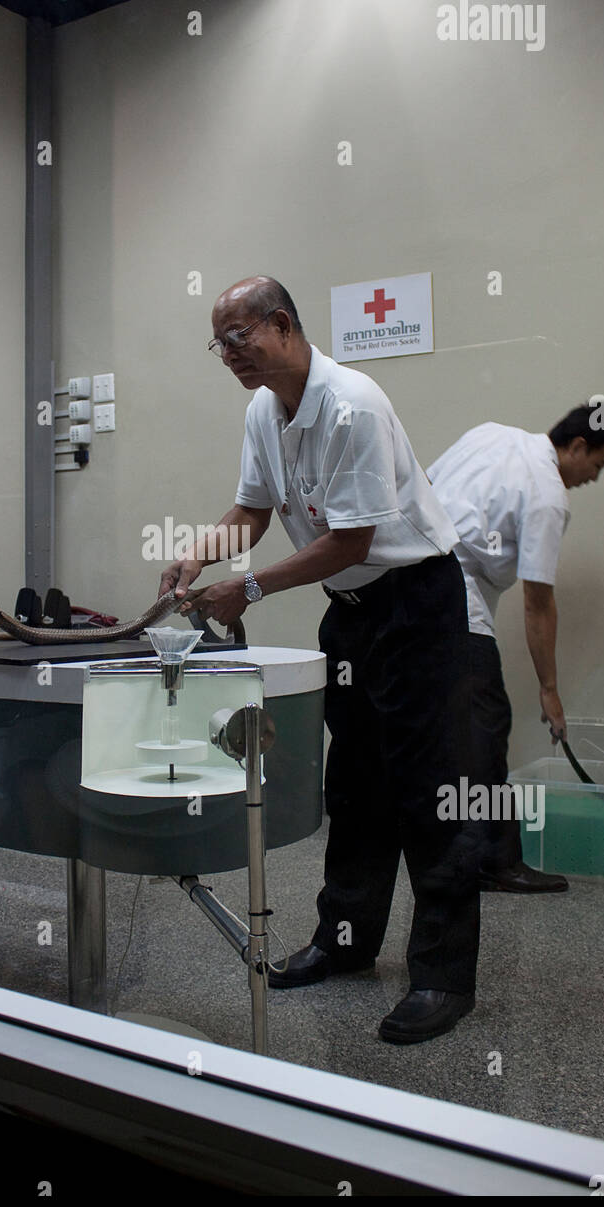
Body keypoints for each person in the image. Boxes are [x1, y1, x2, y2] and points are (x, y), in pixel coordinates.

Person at [160, 276, 480, 1044]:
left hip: (418, 605)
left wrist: (249, 589)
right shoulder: (263, 410)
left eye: (241, 336)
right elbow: (253, 510)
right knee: (358, 787)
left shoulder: (352, 404)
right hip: (356, 615)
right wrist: (195, 556)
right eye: (219, 342)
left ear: (283, 324)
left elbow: (352, 540)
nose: (230, 354)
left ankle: (442, 978)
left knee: (430, 792)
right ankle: (346, 944)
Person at [427, 406, 604, 892]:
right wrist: (550, 691)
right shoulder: (548, 496)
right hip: (454, 597)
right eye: (598, 467)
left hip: (408, 584)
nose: (593, 479)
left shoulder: (489, 432)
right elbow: (539, 603)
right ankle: (494, 862)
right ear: (577, 447)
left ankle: (450, 849)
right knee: (485, 729)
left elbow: (422, 489)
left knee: (447, 730)